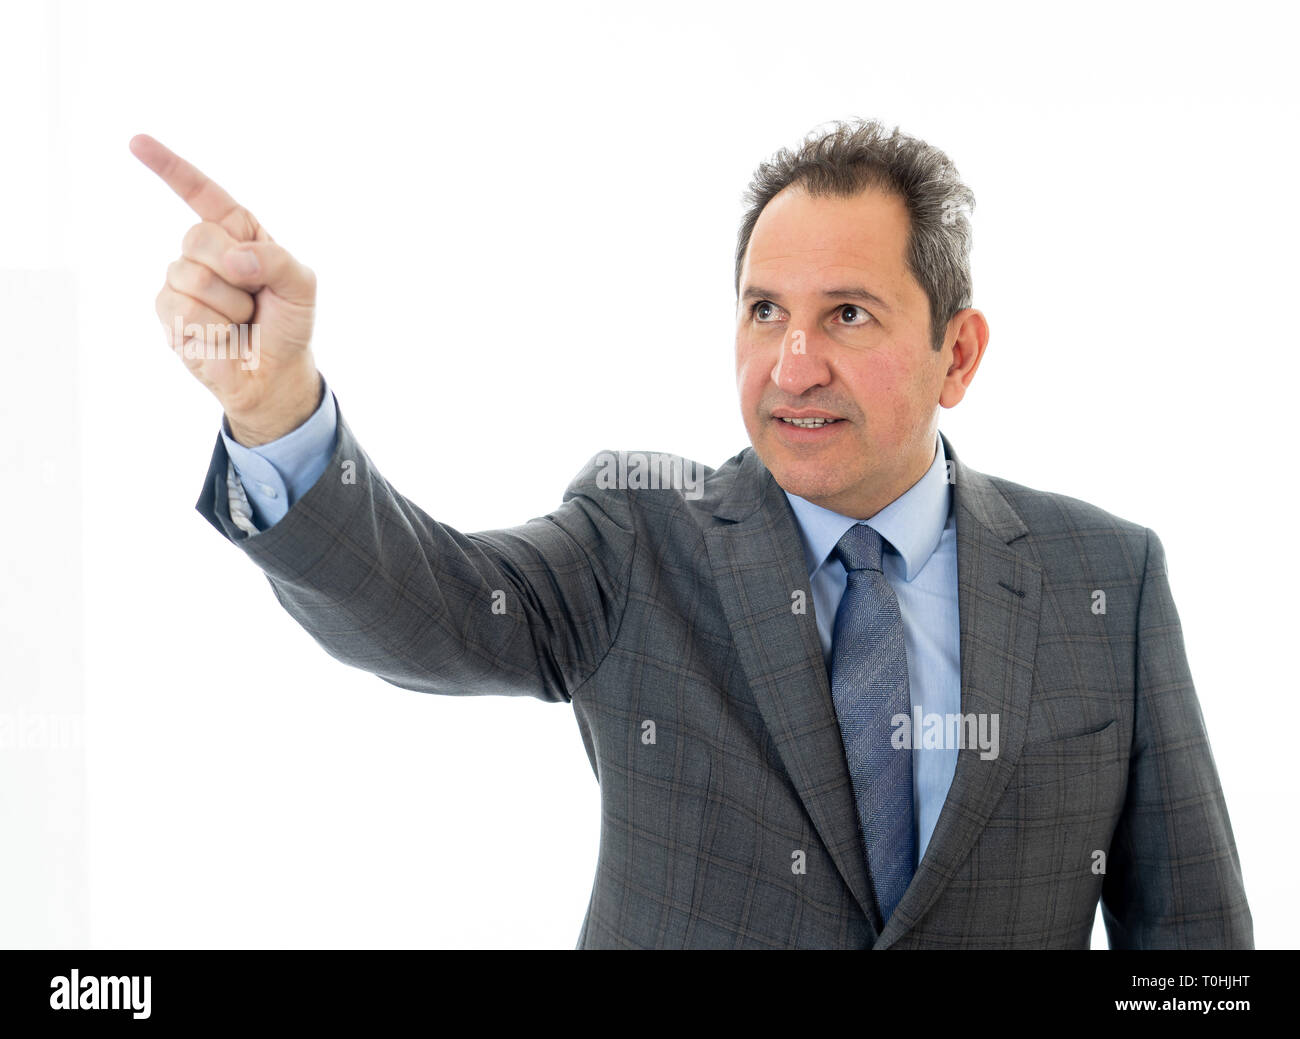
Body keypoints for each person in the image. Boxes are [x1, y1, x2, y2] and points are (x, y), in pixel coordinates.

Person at [132, 118, 1253, 949]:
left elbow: (1193, 945)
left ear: (956, 353)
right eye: (764, 310)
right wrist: (275, 410)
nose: (791, 363)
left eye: (846, 315)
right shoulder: (638, 539)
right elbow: (425, 606)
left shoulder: (1107, 577)